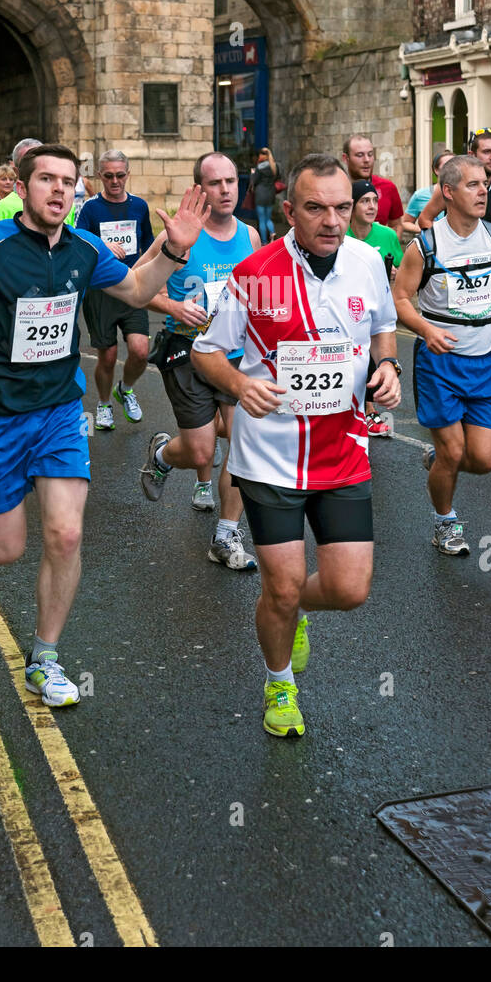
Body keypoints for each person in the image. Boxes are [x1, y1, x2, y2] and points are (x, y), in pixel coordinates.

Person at [0, 145, 210, 708]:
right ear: (23, 187)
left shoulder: (85, 249)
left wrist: (174, 249)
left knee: (65, 533)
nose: (58, 190)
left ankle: (46, 657)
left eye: (68, 181)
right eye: (46, 180)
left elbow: (136, 290)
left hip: (61, 411)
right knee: (6, 550)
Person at [192, 153, 401, 738]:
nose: (332, 220)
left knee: (348, 589)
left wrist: (387, 366)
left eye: (341, 207)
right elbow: (206, 351)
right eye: (316, 208)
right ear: (289, 211)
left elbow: (384, 325)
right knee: (280, 585)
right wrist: (238, 384)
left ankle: (295, 613)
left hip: (344, 450)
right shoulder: (256, 273)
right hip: (271, 455)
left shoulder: (366, 262)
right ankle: (280, 681)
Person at [393, 154, 491, 556]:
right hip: (439, 364)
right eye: (472, 185)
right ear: (448, 192)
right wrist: (427, 330)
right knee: (454, 450)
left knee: (483, 460)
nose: (483, 191)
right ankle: (445, 523)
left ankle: (438, 460)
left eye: (484, 183)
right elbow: (400, 298)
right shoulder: (426, 245)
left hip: (483, 362)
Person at [139, 151, 261, 570]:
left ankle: (226, 535)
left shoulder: (251, 235)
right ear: (200, 190)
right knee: (200, 450)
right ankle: (161, 456)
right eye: (215, 183)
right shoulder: (178, 235)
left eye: (231, 181)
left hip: (235, 356)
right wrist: (173, 307)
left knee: (242, 445)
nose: (225, 190)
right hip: (187, 351)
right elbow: (135, 286)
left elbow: (258, 296)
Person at [76, 150, 155, 429]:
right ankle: (104, 403)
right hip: (102, 291)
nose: (114, 181)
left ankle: (126, 389)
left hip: (133, 286)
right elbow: (78, 242)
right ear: (99, 176)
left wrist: (156, 280)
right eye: (108, 176)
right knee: (107, 356)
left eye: (120, 175)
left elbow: (149, 243)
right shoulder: (90, 209)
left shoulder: (139, 207)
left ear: (127, 174)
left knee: (140, 350)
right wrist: (101, 245)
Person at [347, 179, 402, 438]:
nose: (371, 206)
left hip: (376, 308)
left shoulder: (387, 236)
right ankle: (358, 410)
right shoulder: (341, 235)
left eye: (374, 201)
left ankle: (368, 411)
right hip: (346, 307)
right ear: (352, 205)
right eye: (364, 201)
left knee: (371, 356)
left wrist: (393, 272)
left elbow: (402, 272)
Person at [417, 129, 491, 249]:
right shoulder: (453, 187)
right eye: (486, 152)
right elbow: (425, 220)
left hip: (489, 263)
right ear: (471, 154)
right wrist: (445, 248)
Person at [341, 134, 404, 235]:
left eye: (370, 154)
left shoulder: (388, 187)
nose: (366, 160)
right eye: (360, 155)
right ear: (345, 158)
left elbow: (396, 225)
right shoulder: (337, 188)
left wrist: (389, 246)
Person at [402, 150, 454, 238]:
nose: (451, 169)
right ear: (436, 170)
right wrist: (425, 229)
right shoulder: (420, 196)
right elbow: (405, 222)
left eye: (454, 165)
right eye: (446, 166)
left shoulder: (464, 194)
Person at [250, 147, 279, 244]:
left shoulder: (259, 167)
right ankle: (272, 233)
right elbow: (278, 178)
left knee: (262, 220)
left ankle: (264, 241)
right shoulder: (275, 166)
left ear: (262, 156)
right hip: (271, 194)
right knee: (268, 218)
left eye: (260, 154)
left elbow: (255, 181)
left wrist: (253, 174)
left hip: (260, 194)